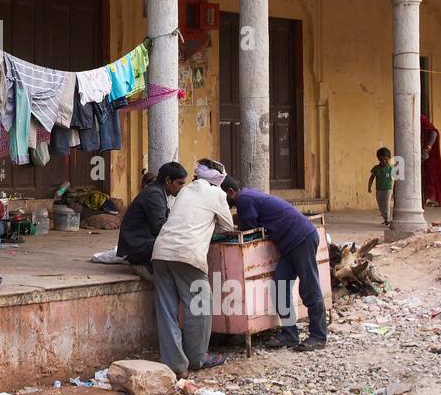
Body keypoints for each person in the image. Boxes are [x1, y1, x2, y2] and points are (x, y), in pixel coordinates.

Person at [222, 176, 328, 352]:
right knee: (280, 285)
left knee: (309, 287)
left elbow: (249, 229)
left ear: (230, 192)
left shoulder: (243, 200)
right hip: (292, 241)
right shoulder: (248, 195)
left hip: (301, 239)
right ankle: (290, 334)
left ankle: (318, 336)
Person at [150, 159, 234, 375]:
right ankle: (197, 358)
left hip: (160, 251)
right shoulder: (217, 194)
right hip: (187, 254)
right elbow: (228, 226)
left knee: (166, 310)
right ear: (218, 181)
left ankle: (176, 365)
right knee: (200, 307)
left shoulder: (185, 191)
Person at [117, 162, 187, 279]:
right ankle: (142, 265)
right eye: (179, 183)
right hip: (137, 247)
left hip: (140, 243)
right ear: (168, 180)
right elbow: (160, 227)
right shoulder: (154, 194)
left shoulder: (158, 192)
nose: (181, 188)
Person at [421, 114, 441, 207]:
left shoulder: (429, 129)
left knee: (431, 177)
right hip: (425, 157)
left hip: (430, 159)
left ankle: (432, 198)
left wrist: (427, 148)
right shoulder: (422, 130)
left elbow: (434, 133)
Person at [367, 146, 393, 227]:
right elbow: (372, 178)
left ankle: (388, 219)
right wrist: (369, 187)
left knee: (387, 204)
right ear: (378, 159)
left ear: (389, 158)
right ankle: (385, 218)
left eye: (386, 159)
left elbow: (396, 180)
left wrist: (395, 191)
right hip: (379, 190)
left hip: (388, 189)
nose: (384, 161)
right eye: (381, 160)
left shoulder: (391, 169)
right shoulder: (376, 168)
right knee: (380, 204)